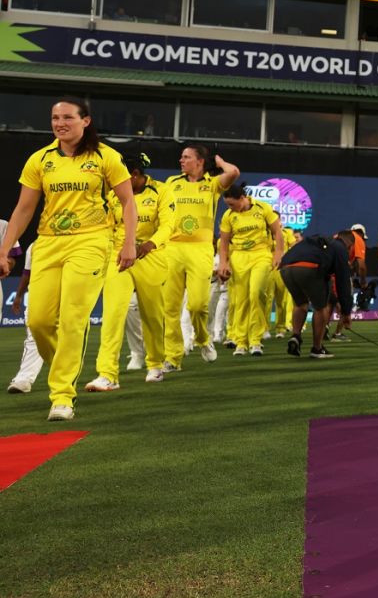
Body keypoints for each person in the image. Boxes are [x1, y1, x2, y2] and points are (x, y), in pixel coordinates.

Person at [0, 98, 137, 421]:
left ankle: (62, 396)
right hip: (48, 242)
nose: (60, 123)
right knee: (38, 321)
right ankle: (63, 363)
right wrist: (4, 250)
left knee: (74, 317)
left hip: (91, 241)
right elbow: (23, 209)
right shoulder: (40, 159)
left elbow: (128, 202)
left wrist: (128, 243)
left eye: (68, 117)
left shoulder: (106, 156)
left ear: (85, 121)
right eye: (55, 118)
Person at [86, 152, 174, 390]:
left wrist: (149, 244)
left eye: (122, 176)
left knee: (152, 315)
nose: (116, 182)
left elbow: (169, 225)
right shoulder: (113, 194)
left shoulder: (161, 191)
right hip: (120, 256)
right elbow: (107, 225)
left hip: (151, 256)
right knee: (113, 314)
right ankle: (107, 374)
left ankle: (155, 364)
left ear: (135, 174)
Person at [161, 145, 239, 371]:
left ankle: (203, 339)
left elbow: (234, 173)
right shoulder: (172, 183)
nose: (181, 160)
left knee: (197, 305)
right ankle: (173, 357)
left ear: (200, 162)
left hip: (200, 249)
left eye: (187, 157)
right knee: (170, 308)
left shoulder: (212, 184)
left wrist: (220, 163)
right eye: (181, 157)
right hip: (173, 249)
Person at [217, 184, 285, 356]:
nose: (230, 208)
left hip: (261, 255)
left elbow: (277, 232)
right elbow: (224, 242)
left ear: (242, 198)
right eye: (228, 205)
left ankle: (256, 340)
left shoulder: (263, 208)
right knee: (240, 300)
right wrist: (223, 263)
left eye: (232, 204)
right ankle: (241, 342)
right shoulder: (229, 216)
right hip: (239, 257)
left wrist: (278, 254)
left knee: (256, 293)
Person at [281, 230, 355, 359]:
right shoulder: (340, 248)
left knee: (300, 303)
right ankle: (317, 348)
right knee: (321, 307)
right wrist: (346, 312)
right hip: (308, 267)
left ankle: (296, 336)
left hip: (286, 267)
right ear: (349, 246)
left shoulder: (318, 241)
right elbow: (343, 282)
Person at [6, 244, 41, 394]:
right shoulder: (35, 246)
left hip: (69, 296)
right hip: (38, 296)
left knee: (71, 339)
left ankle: (66, 379)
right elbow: (27, 273)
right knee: (34, 337)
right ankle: (24, 379)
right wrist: (18, 296)